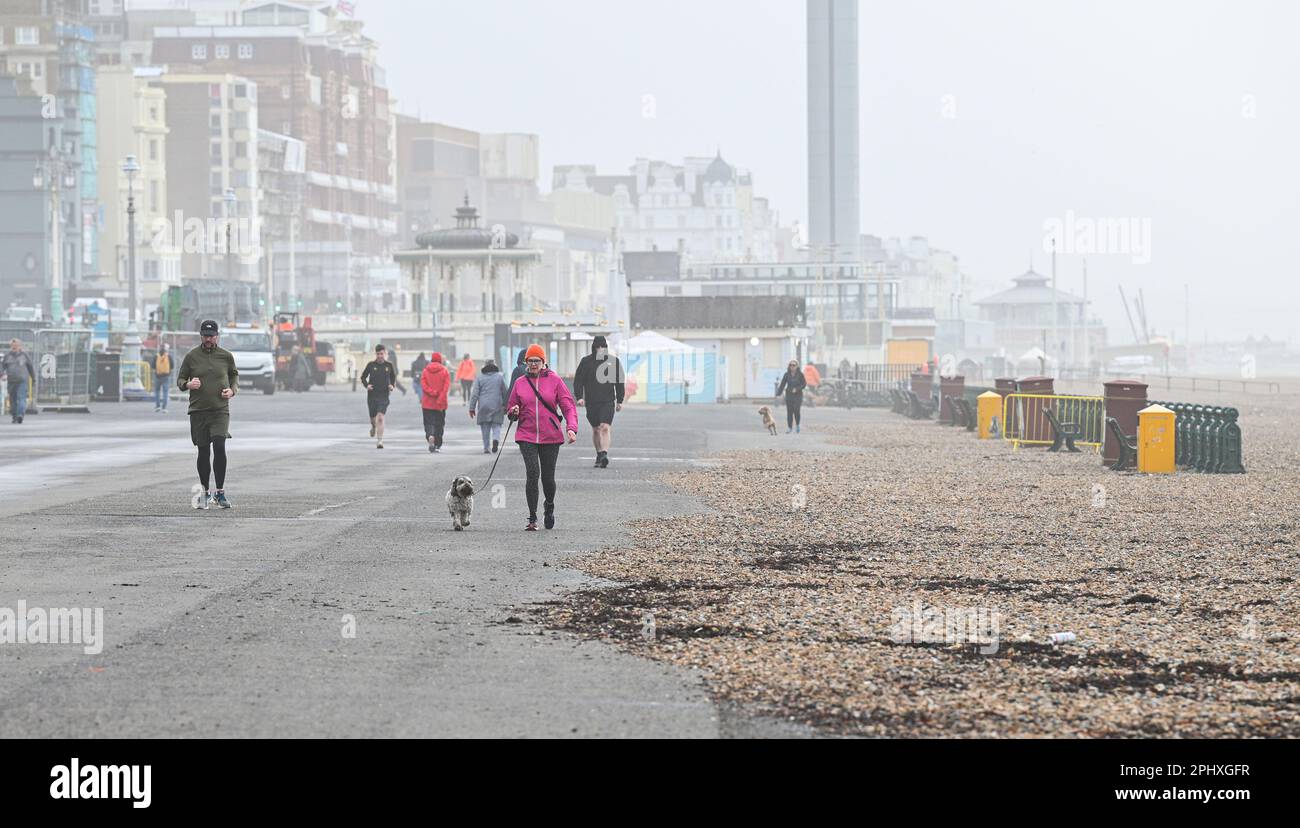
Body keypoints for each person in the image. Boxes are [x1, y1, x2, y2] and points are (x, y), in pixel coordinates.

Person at [506, 344, 577, 531]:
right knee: (532, 474)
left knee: (548, 478)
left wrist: (571, 428)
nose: (533, 364)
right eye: (530, 361)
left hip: (550, 435)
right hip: (526, 434)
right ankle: (532, 517)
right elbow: (512, 406)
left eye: (537, 361)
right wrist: (513, 411)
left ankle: (549, 506)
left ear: (544, 361)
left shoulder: (554, 380)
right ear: (526, 362)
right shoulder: (520, 382)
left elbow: (568, 405)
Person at [176, 320, 238, 509]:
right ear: (201, 336)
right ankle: (204, 492)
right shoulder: (191, 356)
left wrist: (232, 391)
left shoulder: (226, 356)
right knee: (203, 451)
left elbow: (234, 375)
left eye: (211, 336)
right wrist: (188, 385)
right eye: (205, 336)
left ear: (217, 336)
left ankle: (220, 493)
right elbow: (180, 379)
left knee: (219, 446)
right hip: (198, 411)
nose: (208, 339)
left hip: (220, 410)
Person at [572, 334, 625, 468]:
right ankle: (599, 454)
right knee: (596, 429)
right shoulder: (586, 362)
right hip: (591, 402)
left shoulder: (614, 362)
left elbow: (619, 382)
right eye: (598, 347)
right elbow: (578, 381)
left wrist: (620, 400)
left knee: (605, 427)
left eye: (603, 346)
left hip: (608, 401)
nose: (600, 349)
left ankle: (604, 454)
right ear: (593, 348)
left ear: (606, 348)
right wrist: (579, 397)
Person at [361, 344, 397, 449]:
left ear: (385, 353)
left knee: (380, 417)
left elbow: (393, 377)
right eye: (378, 354)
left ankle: (380, 441)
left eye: (381, 354)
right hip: (372, 395)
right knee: (373, 418)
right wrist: (366, 385)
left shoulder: (389, 366)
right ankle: (373, 426)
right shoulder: (371, 365)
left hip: (384, 395)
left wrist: (392, 386)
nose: (380, 356)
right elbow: (363, 377)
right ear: (375, 354)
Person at [468, 357, 507, 454]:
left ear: (484, 365)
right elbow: (505, 392)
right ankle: (496, 440)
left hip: (483, 406)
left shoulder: (480, 377)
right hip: (497, 404)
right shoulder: (500, 377)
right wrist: (506, 405)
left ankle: (486, 448)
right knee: (496, 425)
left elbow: (474, 394)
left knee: (485, 427)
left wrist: (472, 408)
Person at [419, 352, 451, 453]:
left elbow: (423, 385)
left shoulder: (425, 371)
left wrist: (432, 392)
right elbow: (446, 388)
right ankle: (437, 444)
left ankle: (430, 435)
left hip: (427, 403)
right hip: (440, 404)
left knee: (428, 423)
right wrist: (440, 398)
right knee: (439, 424)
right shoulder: (445, 371)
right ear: (440, 360)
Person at [2, 338, 36, 424]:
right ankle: (14, 416)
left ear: (20, 346)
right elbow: (2, 367)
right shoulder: (7, 356)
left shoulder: (24, 355)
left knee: (21, 398)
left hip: (22, 380)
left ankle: (20, 415)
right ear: (11, 347)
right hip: (11, 381)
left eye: (16, 346)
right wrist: (1, 374)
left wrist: (33, 378)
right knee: (12, 399)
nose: (14, 347)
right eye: (13, 346)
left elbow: (30, 367)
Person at [776, 359, 807, 433]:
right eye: (790, 365)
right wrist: (778, 394)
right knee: (789, 412)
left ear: (797, 366)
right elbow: (782, 384)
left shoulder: (800, 374)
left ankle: (797, 425)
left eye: (793, 365)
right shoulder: (787, 374)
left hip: (798, 395)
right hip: (789, 395)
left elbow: (804, 384)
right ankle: (789, 427)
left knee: (796, 410)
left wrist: (797, 389)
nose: (792, 367)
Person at [153, 343, 172, 413]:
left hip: (158, 376)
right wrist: (169, 372)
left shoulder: (156, 356)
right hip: (166, 376)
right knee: (165, 392)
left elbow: (153, 366)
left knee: (157, 391)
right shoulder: (168, 356)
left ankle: (158, 406)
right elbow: (172, 365)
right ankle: (164, 408)